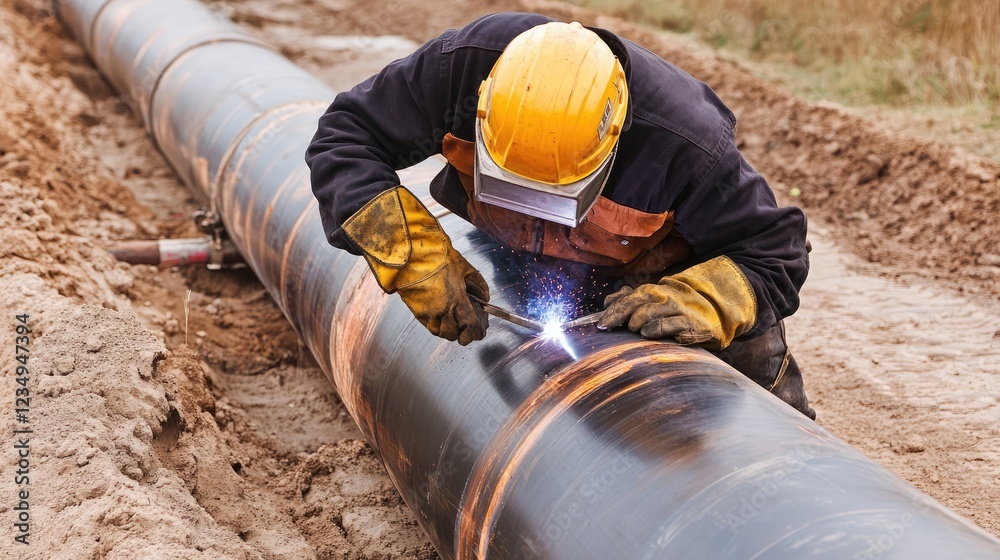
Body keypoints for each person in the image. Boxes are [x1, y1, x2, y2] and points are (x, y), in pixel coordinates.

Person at [305, 13, 814, 419]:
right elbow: (345, 139)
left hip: (646, 272)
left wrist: (705, 299)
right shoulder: (462, 71)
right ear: (481, 112)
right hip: (525, 254)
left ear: (612, 148)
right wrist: (415, 255)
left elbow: (775, 250)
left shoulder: (684, 145)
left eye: (554, 198)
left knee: (748, 389)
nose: (534, 206)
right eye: (512, 188)